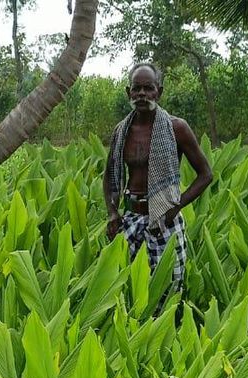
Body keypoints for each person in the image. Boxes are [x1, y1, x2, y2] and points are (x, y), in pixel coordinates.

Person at [103, 62, 214, 312]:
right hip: (131, 218)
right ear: (128, 92)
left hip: (165, 220)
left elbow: (206, 174)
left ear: (159, 92)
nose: (142, 94)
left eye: (148, 88)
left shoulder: (177, 128)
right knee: (127, 289)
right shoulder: (122, 131)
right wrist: (112, 212)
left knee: (169, 288)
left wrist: (176, 206)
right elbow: (109, 176)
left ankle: (166, 338)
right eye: (136, 89)